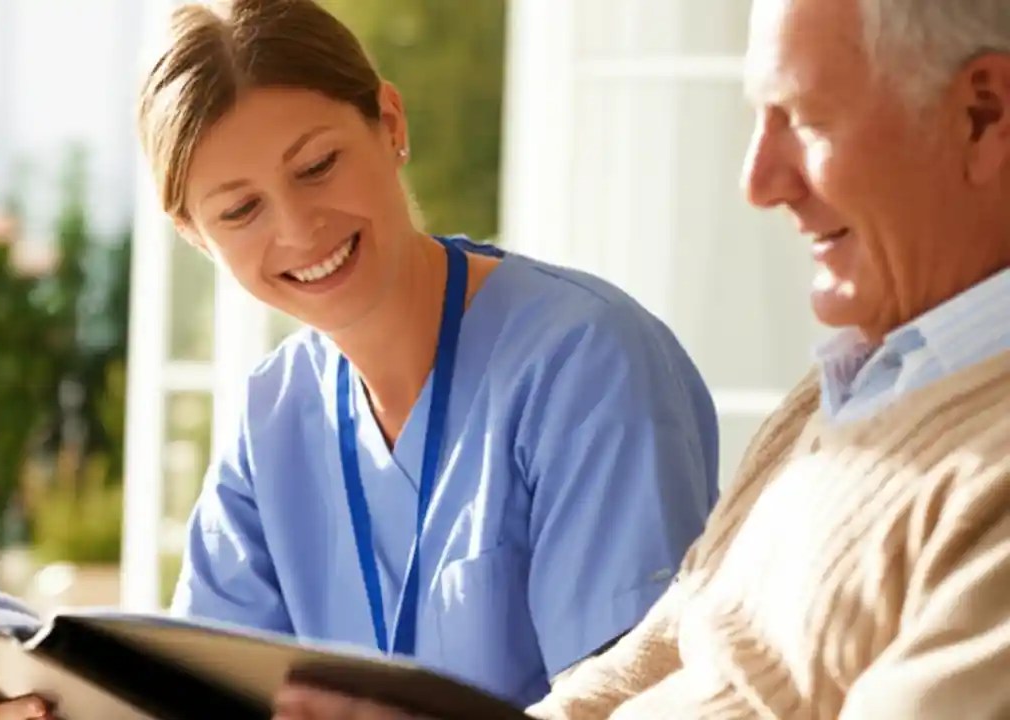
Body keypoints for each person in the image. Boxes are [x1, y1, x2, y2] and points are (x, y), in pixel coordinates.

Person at [0, 0, 720, 718]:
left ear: (388, 122)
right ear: (195, 236)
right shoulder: (273, 417)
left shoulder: (586, 363)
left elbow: (638, 703)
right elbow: (200, 701)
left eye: (317, 166)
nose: (299, 228)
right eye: (241, 209)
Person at [268, 0, 1010, 717]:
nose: (758, 182)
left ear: (984, 116)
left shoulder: (986, 478)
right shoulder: (839, 393)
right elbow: (659, 654)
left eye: (808, 122)